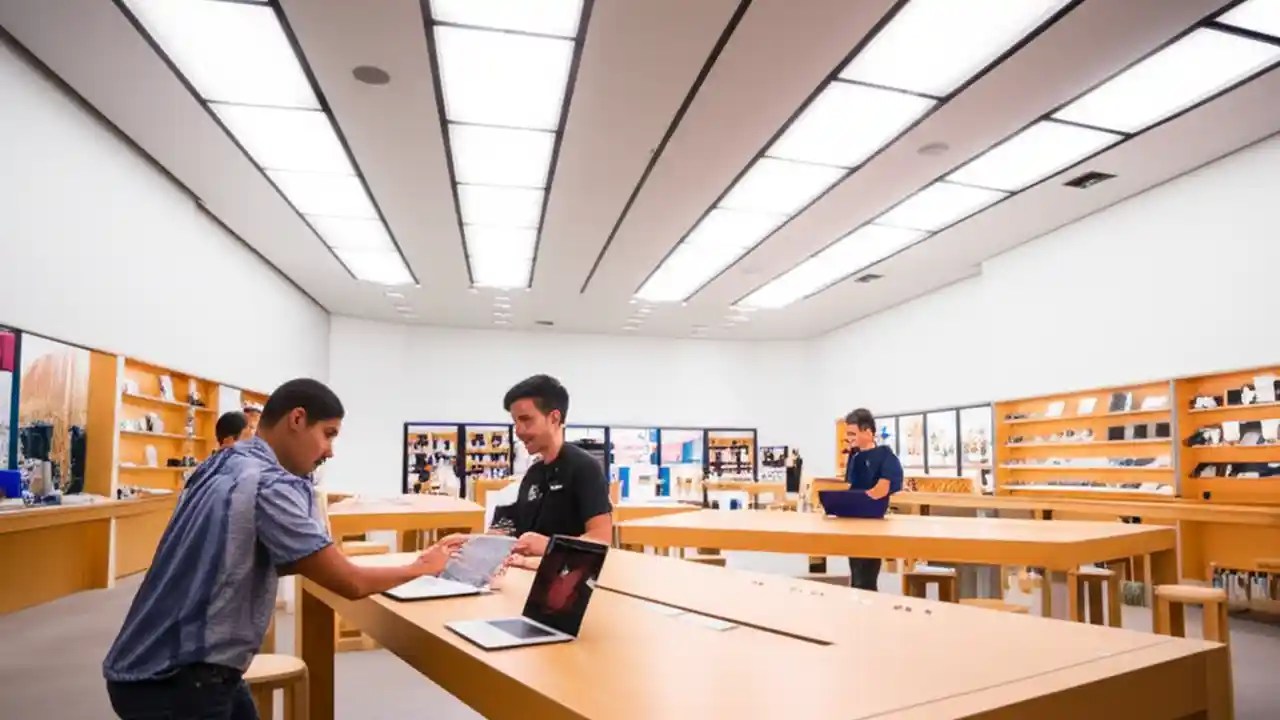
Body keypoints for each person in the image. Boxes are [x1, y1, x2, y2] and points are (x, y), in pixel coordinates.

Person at [102, 378, 464, 720]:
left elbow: (275, 556)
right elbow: (349, 582)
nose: (330, 451)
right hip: (180, 675)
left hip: (156, 661)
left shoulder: (221, 462)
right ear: (297, 419)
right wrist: (422, 566)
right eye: (328, 435)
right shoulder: (269, 484)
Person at [503, 374, 612, 557]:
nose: (519, 431)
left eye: (526, 419)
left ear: (554, 418)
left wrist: (549, 546)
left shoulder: (584, 468)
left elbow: (601, 539)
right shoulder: (533, 474)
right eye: (515, 422)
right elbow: (514, 525)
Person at [843, 408, 903, 591]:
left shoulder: (885, 456)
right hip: (853, 523)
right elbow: (850, 486)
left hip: (872, 523)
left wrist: (862, 498)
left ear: (868, 432)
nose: (849, 438)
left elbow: (882, 488)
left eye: (853, 433)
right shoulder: (854, 457)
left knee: (866, 576)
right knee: (856, 573)